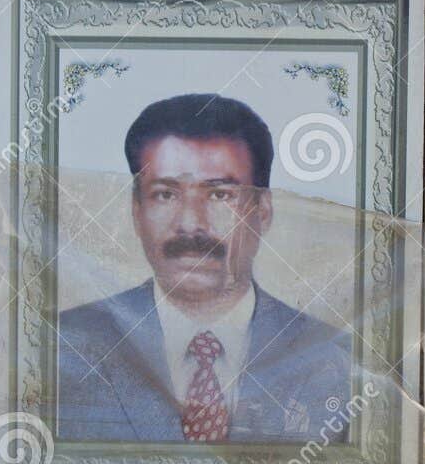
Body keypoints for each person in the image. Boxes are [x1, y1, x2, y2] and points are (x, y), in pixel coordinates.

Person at [57, 93, 352, 444]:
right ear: (136, 211)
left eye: (219, 195)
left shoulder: (333, 355)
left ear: (263, 211)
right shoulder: (66, 344)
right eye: (165, 194)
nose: (190, 225)